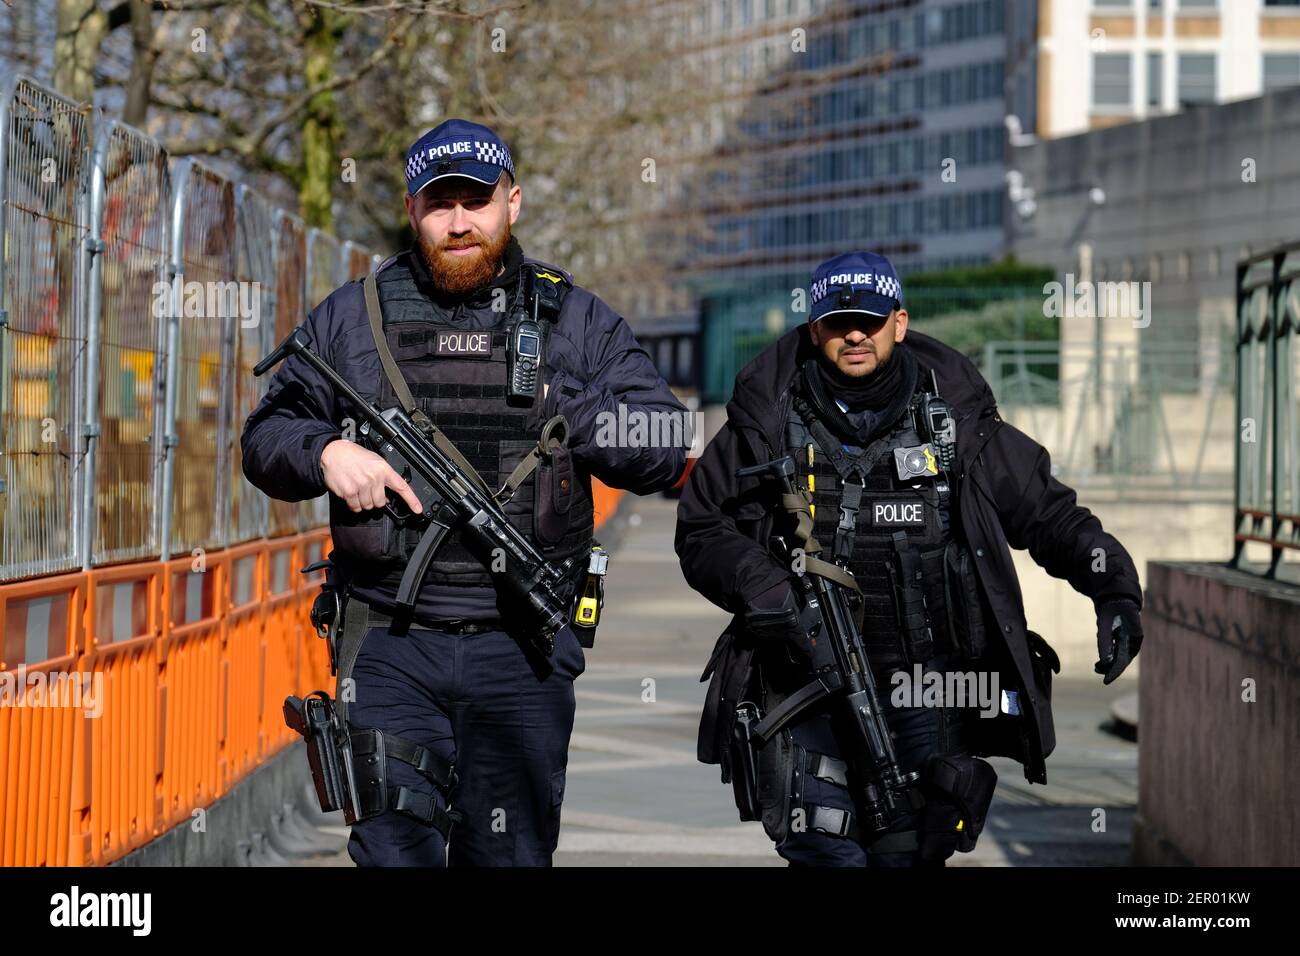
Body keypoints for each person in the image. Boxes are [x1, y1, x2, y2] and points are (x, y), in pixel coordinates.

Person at [241, 118, 687, 866]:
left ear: (512, 203)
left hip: (523, 651)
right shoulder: (356, 317)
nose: (458, 223)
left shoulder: (574, 320)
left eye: (475, 202)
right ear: (412, 209)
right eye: (438, 203)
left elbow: (665, 445)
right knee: (392, 855)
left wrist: (566, 405)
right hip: (388, 647)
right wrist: (324, 452)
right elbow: (263, 437)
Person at [675, 250, 1144, 867]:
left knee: (908, 855)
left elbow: (1048, 514)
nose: (854, 335)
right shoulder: (766, 419)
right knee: (828, 856)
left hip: (927, 687)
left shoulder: (954, 418)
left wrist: (1113, 590)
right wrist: (768, 590)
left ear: (899, 321)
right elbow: (702, 528)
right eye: (838, 322)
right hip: (805, 684)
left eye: (868, 321)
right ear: (814, 329)